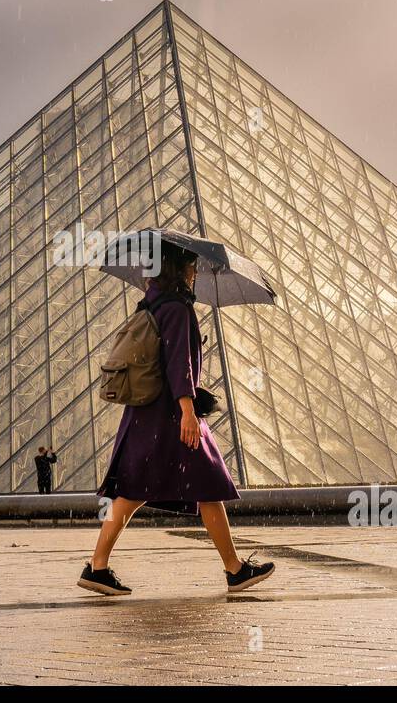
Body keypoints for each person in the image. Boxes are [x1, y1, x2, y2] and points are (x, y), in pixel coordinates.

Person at [79, 241, 275, 596]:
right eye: (190, 265)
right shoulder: (178, 309)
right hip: (171, 415)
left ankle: (97, 566)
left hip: (145, 413)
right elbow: (179, 365)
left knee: (134, 490)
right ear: (176, 268)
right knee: (208, 482)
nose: (195, 271)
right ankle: (234, 570)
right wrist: (187, 410)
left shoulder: (150, 304)